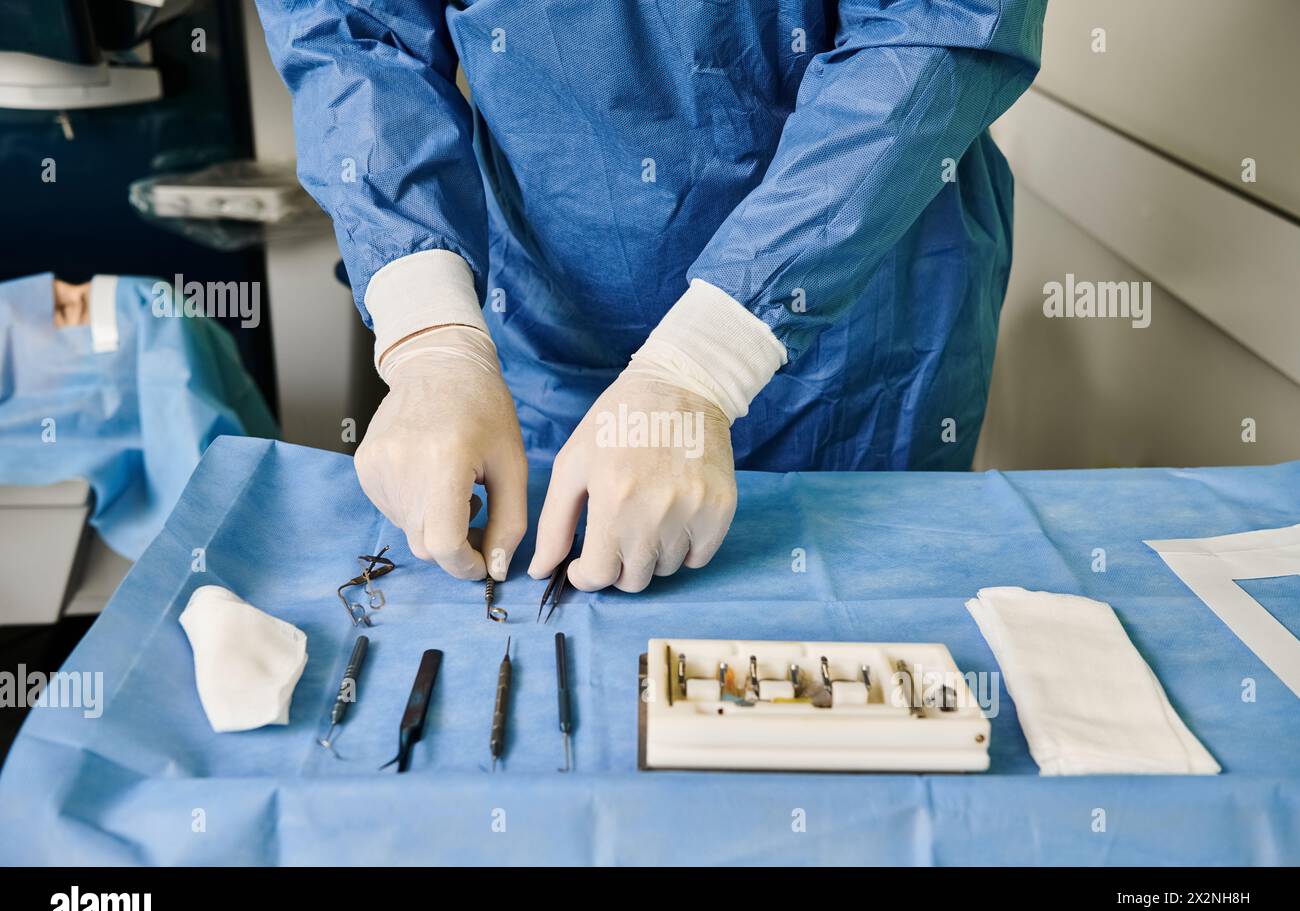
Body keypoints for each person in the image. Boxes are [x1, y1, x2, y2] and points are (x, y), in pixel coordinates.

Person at [255, 1, 1045, 592]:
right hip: (554, 319)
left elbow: (942, 25)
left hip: (859, 317)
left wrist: (705, 361)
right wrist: (431, 339)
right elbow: (351, 35)